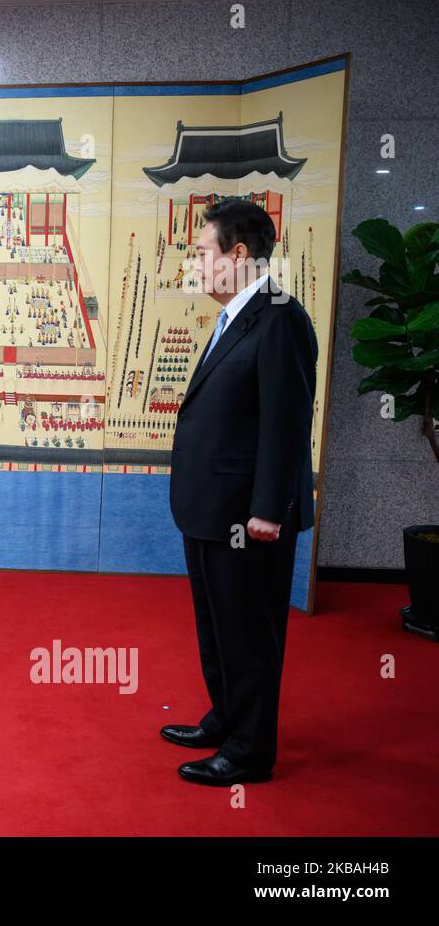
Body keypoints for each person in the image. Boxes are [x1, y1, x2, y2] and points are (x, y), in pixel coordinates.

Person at [163, 199, 317, 786]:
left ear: (239, 255)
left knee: (250, 634)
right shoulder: (236, 317)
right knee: (217, 625)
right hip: (210, 509)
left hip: (250, 519)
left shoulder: (281, 319)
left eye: (204, 252)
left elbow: (286, 421)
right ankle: (225, 718)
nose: (196, 263)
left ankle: (250, 751)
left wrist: (267, 511)